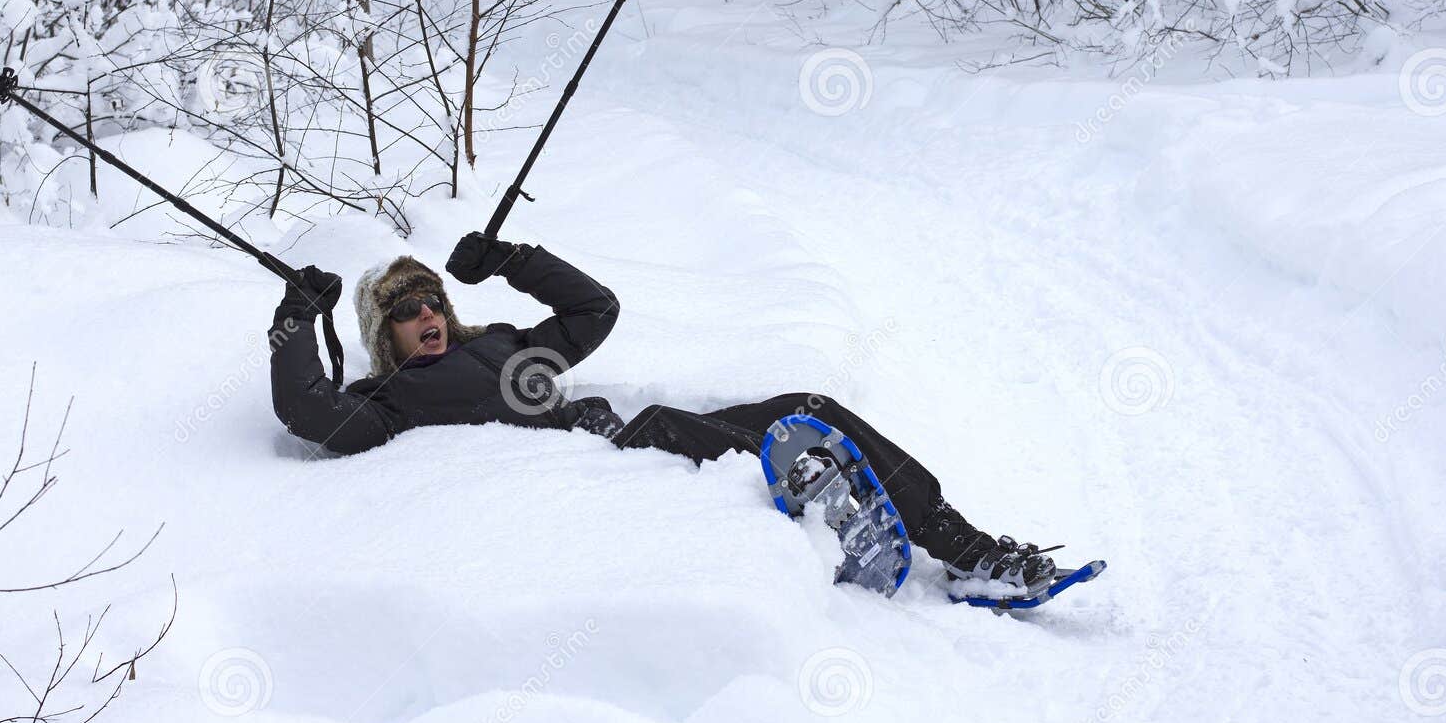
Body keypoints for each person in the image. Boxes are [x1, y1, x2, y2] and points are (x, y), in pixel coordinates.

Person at [269, 232, 1057, 595]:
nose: (425, 312)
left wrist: (512, 260)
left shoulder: (507, 345)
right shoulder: (390, 401)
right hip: (600, 469)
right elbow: (308, 410)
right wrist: (298, 318)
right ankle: (811, 483)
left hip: (617, 436)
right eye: (404, 308)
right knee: (681, 430)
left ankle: (964, 545)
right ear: (384, 334)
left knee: (808, 404)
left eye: (431, 297)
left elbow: (593, 310)